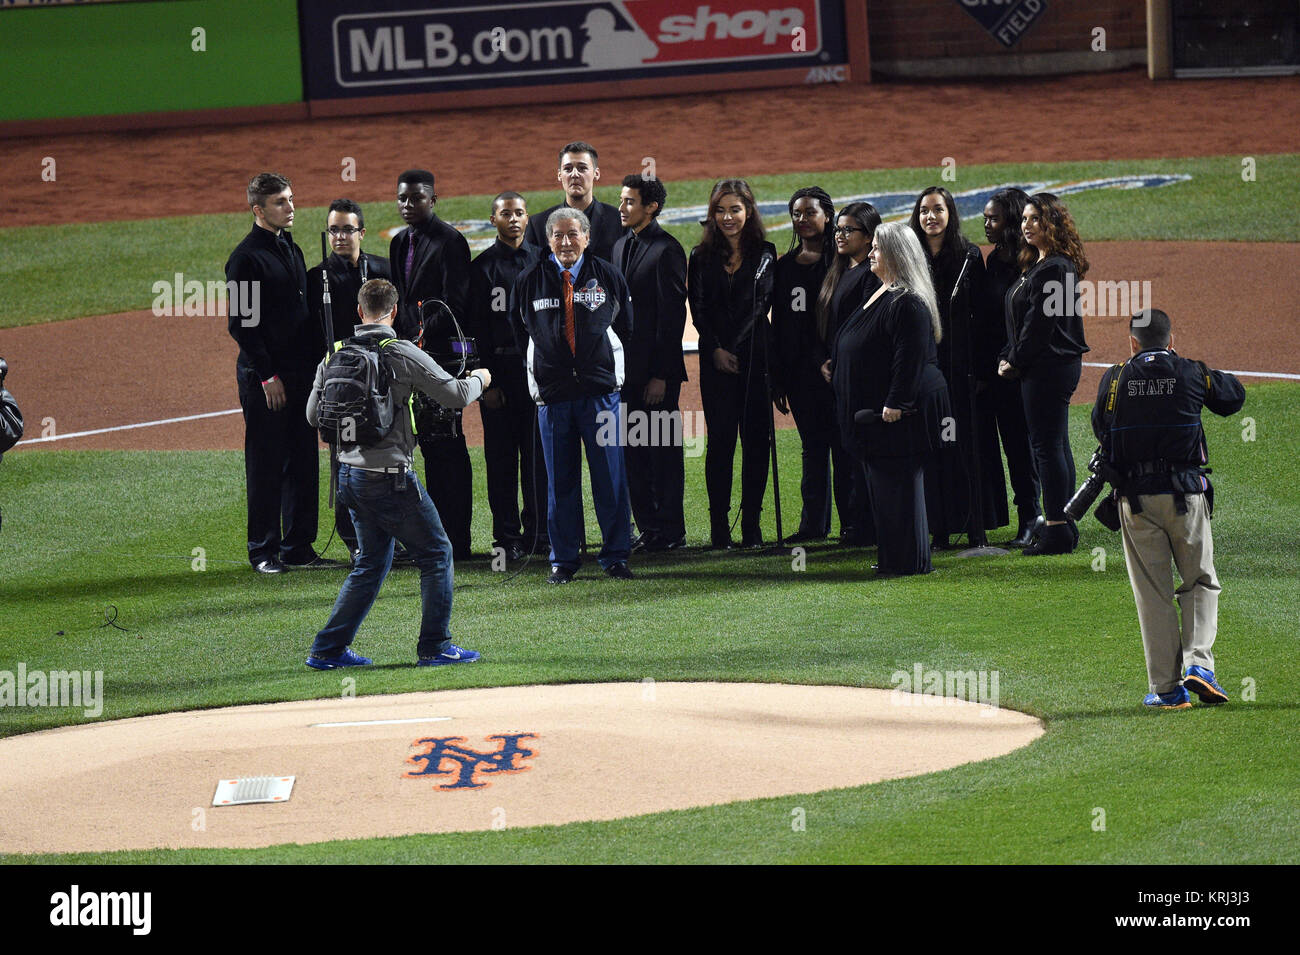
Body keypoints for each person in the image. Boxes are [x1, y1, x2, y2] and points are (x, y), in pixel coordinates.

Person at [305, 279, 490, 669]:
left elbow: (311, 416)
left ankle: (328, 650)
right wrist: (481, 379)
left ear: (359, 312)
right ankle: (435, 646)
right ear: (393, 311)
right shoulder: (400, 351)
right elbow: (455, 394)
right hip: (390, 478)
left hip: (349, 477)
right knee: (438, 554)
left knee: (371, 563)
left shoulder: (334, 352)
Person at [1090, 308, 1244, 708]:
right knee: (1200, 581)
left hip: (1136, 501)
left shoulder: (1115, 377)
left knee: (1153, 594)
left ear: (1132, 344)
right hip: (1185, 496)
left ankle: (1168, 690)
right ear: (1171, 340)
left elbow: (1100, 428)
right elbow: (1233, 398)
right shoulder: (1190, 371)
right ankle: (1200, 666)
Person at [510, 207, 635, 583]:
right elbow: (520, 334)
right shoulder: (530, 279)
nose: (566, 242)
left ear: (587, 237)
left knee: (610, 480)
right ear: (548, 241)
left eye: (573, 234)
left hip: (600, 396)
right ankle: (563, 561)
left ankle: (615, 556)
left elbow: (627, 326)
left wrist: (598, 369)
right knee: (559, 482)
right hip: (554, 397)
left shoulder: (608, 276)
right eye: (558, 236)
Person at [826, 221, 951, 577]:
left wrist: (897, 403)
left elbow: (909, 358)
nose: (871, 253)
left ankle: (908, 562)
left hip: (898, 416)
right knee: (886, 489)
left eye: (878, 248)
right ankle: (895, 556)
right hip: (880, 413)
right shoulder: (884, 291)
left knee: (899, 488)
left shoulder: (908, 301)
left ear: (895, 254)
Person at [225, 172, 323, 574]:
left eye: (291, 198)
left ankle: (298, 546)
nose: (291, 206)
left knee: (302, 458)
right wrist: (267, 375)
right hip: (267, 378)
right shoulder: (246, 258)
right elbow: (241, 324)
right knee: (266, 461)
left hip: (299, 373)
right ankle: (262, 551)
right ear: (257, 210)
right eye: (281, 201)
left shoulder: (292, 248)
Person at [909, 185, 1007, 549]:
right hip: (928, 371)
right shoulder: (911, 257)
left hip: (962, 369)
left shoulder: (967, 256)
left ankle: (976, 525)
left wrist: (982, 371)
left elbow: (982, 320)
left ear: (950, 214)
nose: (930, 217)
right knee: (934, 447)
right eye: (923, 211)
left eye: (937, 209)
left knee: (968, 447)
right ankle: (939, 529)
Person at [389, 168, 475, 560]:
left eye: (417, 198)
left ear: (433, 200)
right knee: (414, 448)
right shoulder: (397, 243)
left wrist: (417, 340)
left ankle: (456, 542)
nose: (409, 205)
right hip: (408, 358)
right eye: (403, 199)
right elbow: (400, 302)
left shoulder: (451, 242)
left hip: (438, 361)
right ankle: (429, 539)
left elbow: (454, 305)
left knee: (446, 452)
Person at [998, 192, 1091, 556]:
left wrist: (1015, 360)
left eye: (1036, 218)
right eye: (1024, 219)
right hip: (1047, 365)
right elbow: (1025, 321)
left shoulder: (1055, 267)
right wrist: (1010, 353)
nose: (1027, 225)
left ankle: (1056, 529)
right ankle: (1062, 523)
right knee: (1054, 445)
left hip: (1048, 367)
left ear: (1053, 223)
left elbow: (1039, 325)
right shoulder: (1042, 264)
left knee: (1046, 447)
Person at [689, 179, 778, 548]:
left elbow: (762, 305)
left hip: (755, 360)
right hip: (715, 362)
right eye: (720, 210)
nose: (728, 217)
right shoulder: (700, 255)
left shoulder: (766, 253)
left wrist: (736, 349)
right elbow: (698, 308)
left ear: (749, 211)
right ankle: (719, 526)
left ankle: (752, 526)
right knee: (721, 443)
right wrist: (714, 350)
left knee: (757, 442)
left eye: (735, 209)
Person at [308, 198, 394, 562]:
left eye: (347, 229)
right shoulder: (317, 278)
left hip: (380, 380)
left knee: (385, 456)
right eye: (334, 229)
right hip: (343, 385)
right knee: (345, 462)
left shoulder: (382, 268)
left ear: (361, 231)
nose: (340, 236)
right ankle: (353, 540)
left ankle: (388, 536)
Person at [611, 173, 688, 551]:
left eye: (629, 201)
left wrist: (661, 375)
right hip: (624, 374)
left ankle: (671, 531)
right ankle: (650, 529)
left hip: (655, 376)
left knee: (662, 454)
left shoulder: (667, 249)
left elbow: (671, 320)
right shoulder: (620, 245)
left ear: (651, 207)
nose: (622, 207)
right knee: (632, 455)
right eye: (622, 200)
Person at [471, 191, 547, 562]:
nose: (513, 219)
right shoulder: (482, 268)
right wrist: (487, 382)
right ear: (493, 220)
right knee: (501, 462)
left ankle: (539, 533)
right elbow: (474, 331)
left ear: (528, 217)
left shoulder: (542, 261)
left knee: (538, 459)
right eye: (505, 213)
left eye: (519, 212)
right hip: (500, 377)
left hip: (537, 375)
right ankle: (506, 538)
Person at [810, 200, 883, 545]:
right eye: (837, 229)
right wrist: (827, 358)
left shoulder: (872, 274)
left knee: (860, 453)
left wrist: (838, 360)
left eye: (847, 230)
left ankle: (866, 525)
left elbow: (864, 328)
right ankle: (853, 522)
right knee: (847, 453)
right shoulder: (840, 269)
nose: (839, 235)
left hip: (862, 378)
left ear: (869, 237)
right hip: (840, 374)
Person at [771, 187, 834, 542]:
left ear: (827, 215)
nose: (803, 220)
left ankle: (857, 523)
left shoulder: (841, 262)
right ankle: (814, 525)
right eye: (797, 213)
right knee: (812, 447)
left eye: (810, 213)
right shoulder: (784, 267)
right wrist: (778, 380)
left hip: (834, 369)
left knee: (843, 447)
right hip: (799, 374)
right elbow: (780, 325)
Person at [982, 188, 1041, 547]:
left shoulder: (1032, 262)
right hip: (999, 370)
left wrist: (1014, 358)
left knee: (1030, 447)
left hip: (1024, 370)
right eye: (986, 218)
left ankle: (1040, 517)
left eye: (995, 218)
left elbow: (1031, 322)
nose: (987, 225)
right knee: (1014, 447)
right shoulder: (994, 260)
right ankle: (1029, 517)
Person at [525, 142, 625, 261]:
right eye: (568, 169)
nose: (574, 174)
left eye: (582, 168)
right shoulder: (537, 225)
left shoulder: (619, 221)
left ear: (596, 174)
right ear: (559, 175)